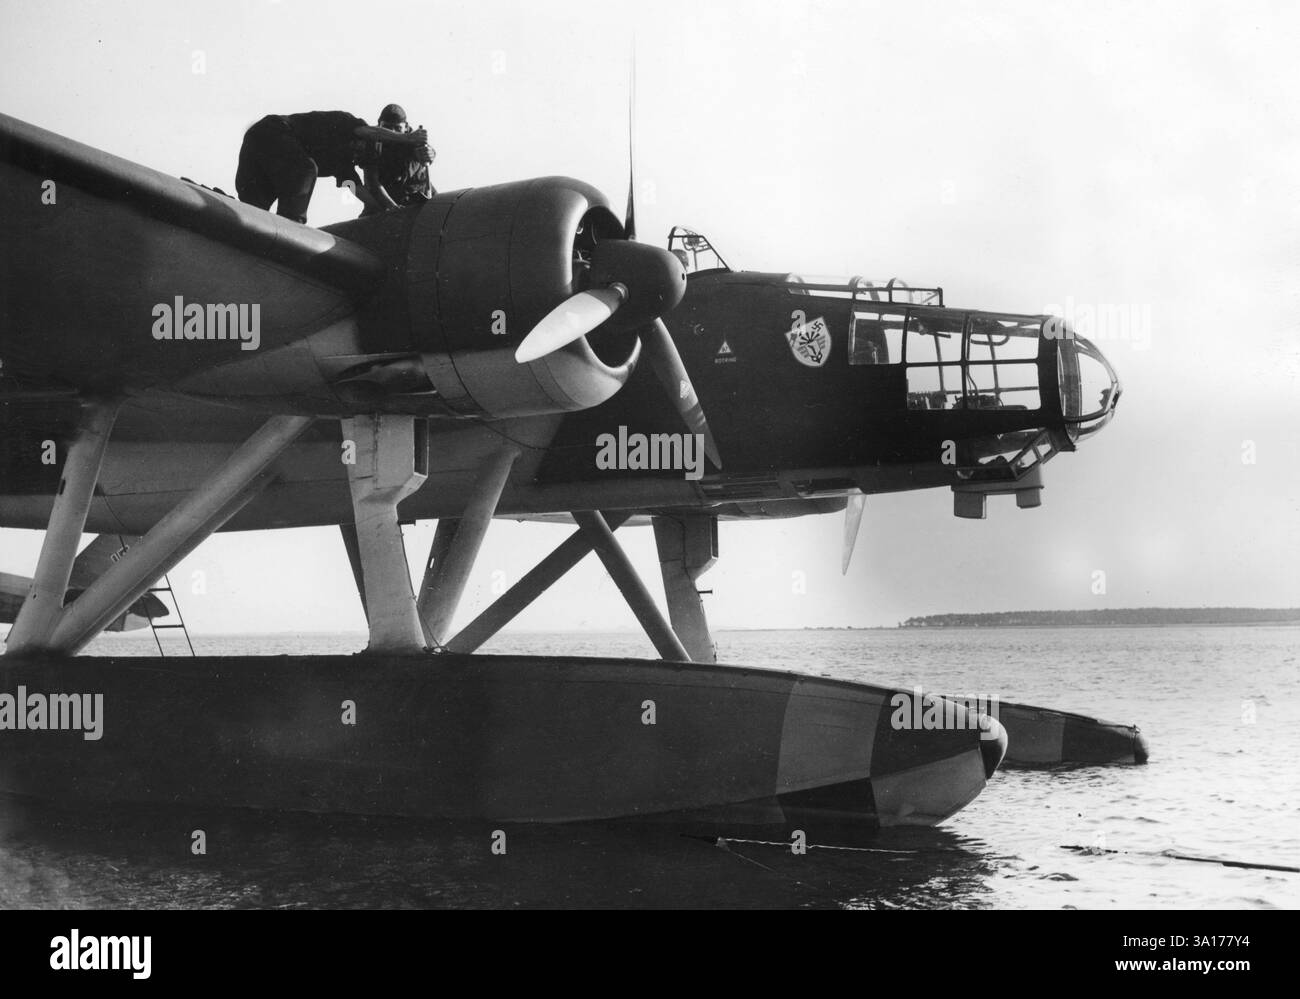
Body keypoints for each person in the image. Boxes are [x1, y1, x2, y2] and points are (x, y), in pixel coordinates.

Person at [235, 110, 428, 224]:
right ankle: (291, 226)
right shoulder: (348, 123)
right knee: (306, 170)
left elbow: (356, 188)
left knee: (253, 214)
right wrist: (407, 138)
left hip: (260, 146)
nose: (358, 153)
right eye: (362, 147)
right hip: (272, 130)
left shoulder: (342, 166)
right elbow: (368, 131)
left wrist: (391, 210)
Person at [360, 103, 435, 217]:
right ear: (379, 125)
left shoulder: (415, 140)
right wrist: (392, 207)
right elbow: (372, 182)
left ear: (406, 127)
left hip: (418, 197)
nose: (393, 133)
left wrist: (430, 154)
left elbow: (427, 151)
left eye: (397, 128)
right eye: (387, 128)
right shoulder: (372, 143)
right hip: (384, 200)